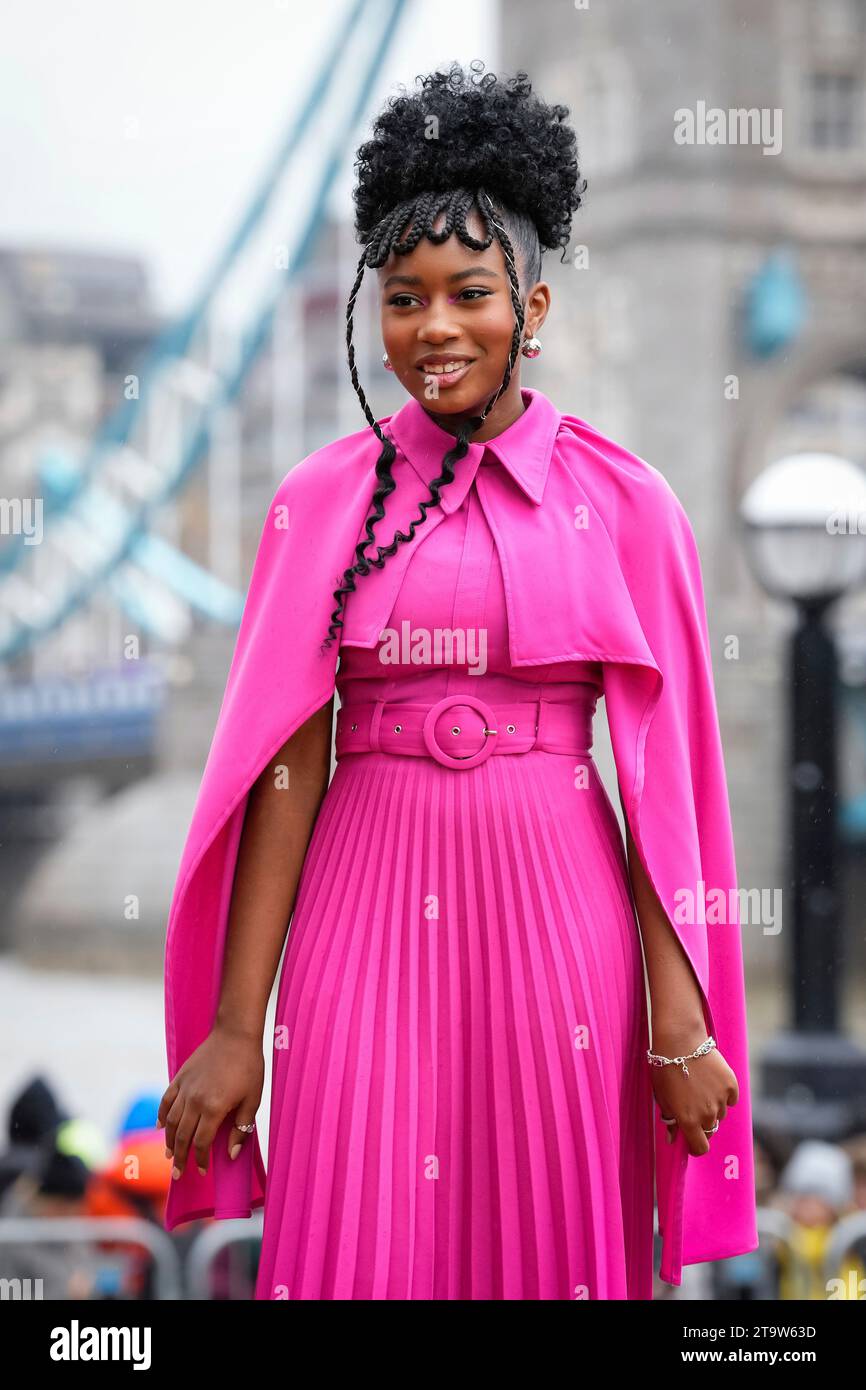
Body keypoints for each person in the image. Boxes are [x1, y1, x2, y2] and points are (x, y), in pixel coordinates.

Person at [159, 60, 758, 1299]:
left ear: (531, 306)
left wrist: (676, 1020)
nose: (432, 328)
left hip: (561, 927)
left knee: (551, 1243)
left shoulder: (628, 506)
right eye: (403, 298)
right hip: (357, 915)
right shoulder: (318, 502)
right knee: (356, 1236)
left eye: (470, 294)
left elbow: (661, 789)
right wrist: (235, 1025)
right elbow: (283, 762)